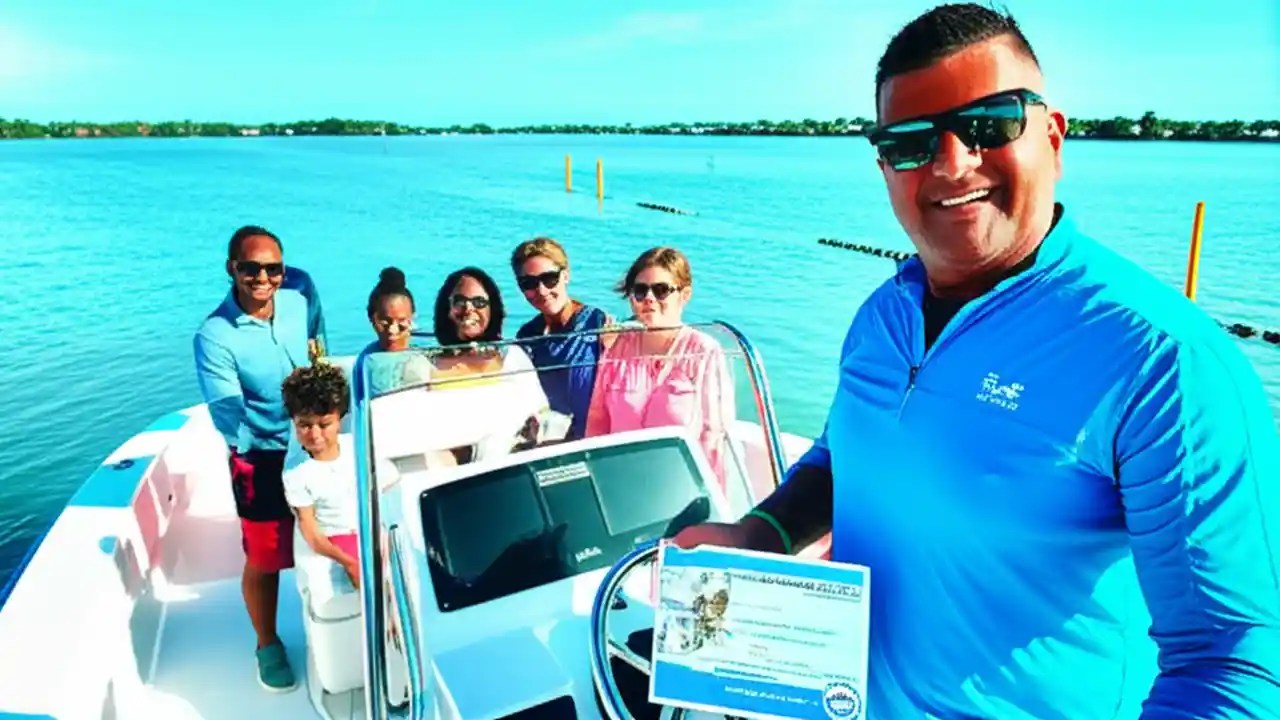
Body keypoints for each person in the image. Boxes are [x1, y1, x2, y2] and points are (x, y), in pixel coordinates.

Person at [674, 4, 1280, 718]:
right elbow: (842, 458)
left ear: (1052, 137)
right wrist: (761, 533)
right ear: (884, 166)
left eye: (990, 124)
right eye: (911, 141)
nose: (952, 161)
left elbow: (1235, 664)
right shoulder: (881, 317)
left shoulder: (1162, 361)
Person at [193, 225, 319, 692]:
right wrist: (271, 447)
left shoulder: (297, 298)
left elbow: (314, 338)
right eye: (251, 268)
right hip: (262, 456)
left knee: (327, 533)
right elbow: (228, 416)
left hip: (313, 444)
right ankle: (267, 642)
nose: (263, 278)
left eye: (273, 268)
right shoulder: (214, 336)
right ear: (233, 269)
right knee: (267, 556)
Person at [585, 247, 735, 491]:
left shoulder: (703, 351)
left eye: (661, 290)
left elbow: (713, 436)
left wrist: (713, 504)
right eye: (640, 290)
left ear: (684, 295)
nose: (649, 299)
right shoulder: (619, 346)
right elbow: (597, 419)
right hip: (620, 484)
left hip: (678, 491)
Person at [424, 267, 551, 462]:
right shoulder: (426, 365)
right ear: (446, 308)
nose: (469, 309)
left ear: (492, 310)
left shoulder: (512, 357)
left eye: (479, 302)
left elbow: (541, 416)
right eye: (460, 301)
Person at [511, 237, 612, 441]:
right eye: (529, 283)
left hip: (594, 442)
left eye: (549, 279)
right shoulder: (527, 337)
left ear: (565, 275)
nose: (541, 290)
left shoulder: (598, 324)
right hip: (548, 444)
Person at [281, 363, 360, 590]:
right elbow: (313, 534)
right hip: (337, 540)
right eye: (304, 426)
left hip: (370, 530)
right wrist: (349, 562)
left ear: (340, 419)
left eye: (324, 424)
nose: (315, 435)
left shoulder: (358, 446)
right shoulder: (296, 473)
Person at [356, 266, 432, 397]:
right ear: (371, 318)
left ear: (412, 317)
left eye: (401, 321)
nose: (392, 330)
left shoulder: (423, 357)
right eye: (384, 322)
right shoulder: (367, 361)